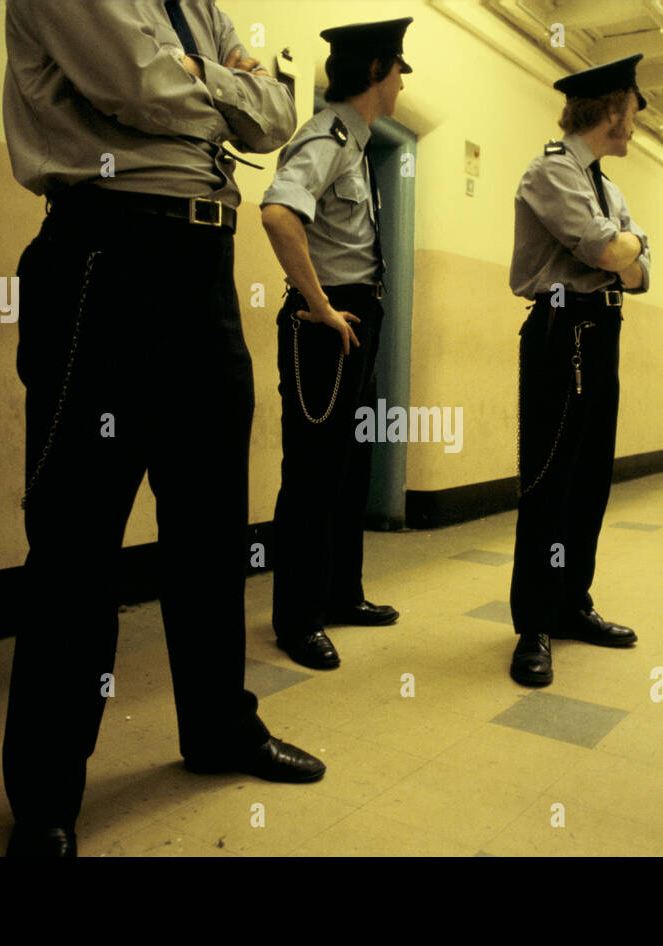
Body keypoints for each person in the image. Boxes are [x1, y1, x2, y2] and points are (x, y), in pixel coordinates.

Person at [1, 0, 324, 858]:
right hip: (104, 256)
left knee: (214, 529)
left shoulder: (198, 6)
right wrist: (223, 86)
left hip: (204, 264)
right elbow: (135, 84)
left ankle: (218, 727)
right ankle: (45, 795)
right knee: (76, 542)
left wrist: (193, 76)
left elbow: (276, 117)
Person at [258, 18, 412, 671]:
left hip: (358, 322)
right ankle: (297, 619)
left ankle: (341, 594)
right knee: (313, 475)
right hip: (325, 327)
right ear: (376, 70)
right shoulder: (326, 136)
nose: (403, 83)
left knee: (349, 471)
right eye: (399, 69)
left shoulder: (358, 143)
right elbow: (278, 213)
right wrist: (319, 305)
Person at [507, 55, 652, 687]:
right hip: (559, 332)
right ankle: (534, 624)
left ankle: (571, 603)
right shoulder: (552, 171)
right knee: (550, 480)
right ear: (612, 111)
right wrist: (627, 246)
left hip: (602, 331)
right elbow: (611, 250)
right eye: (633, 110)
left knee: (591, 479)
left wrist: (626, 250)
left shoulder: (607, 188)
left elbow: (638, 274)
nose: (636, 123)